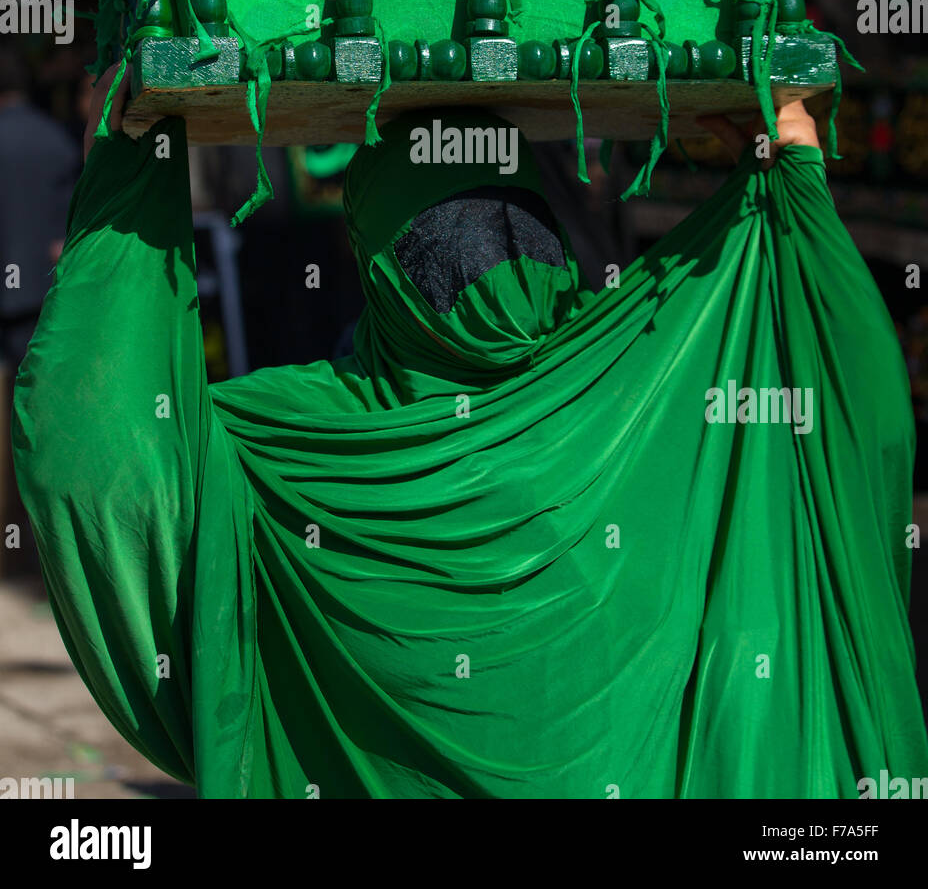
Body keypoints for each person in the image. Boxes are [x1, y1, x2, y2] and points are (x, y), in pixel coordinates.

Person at [10, 64, 928, 798]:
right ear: (552, 234)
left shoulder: (281, 450)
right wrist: (789, 168)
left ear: (369, 261)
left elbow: (90, 449)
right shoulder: (648, 389)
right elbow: (850, 395)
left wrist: (134, 173)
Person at [0, 45, 81, 577]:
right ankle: (35, 550)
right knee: (36, 427)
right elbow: (61, 243)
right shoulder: (56, 143)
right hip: (35, 306)